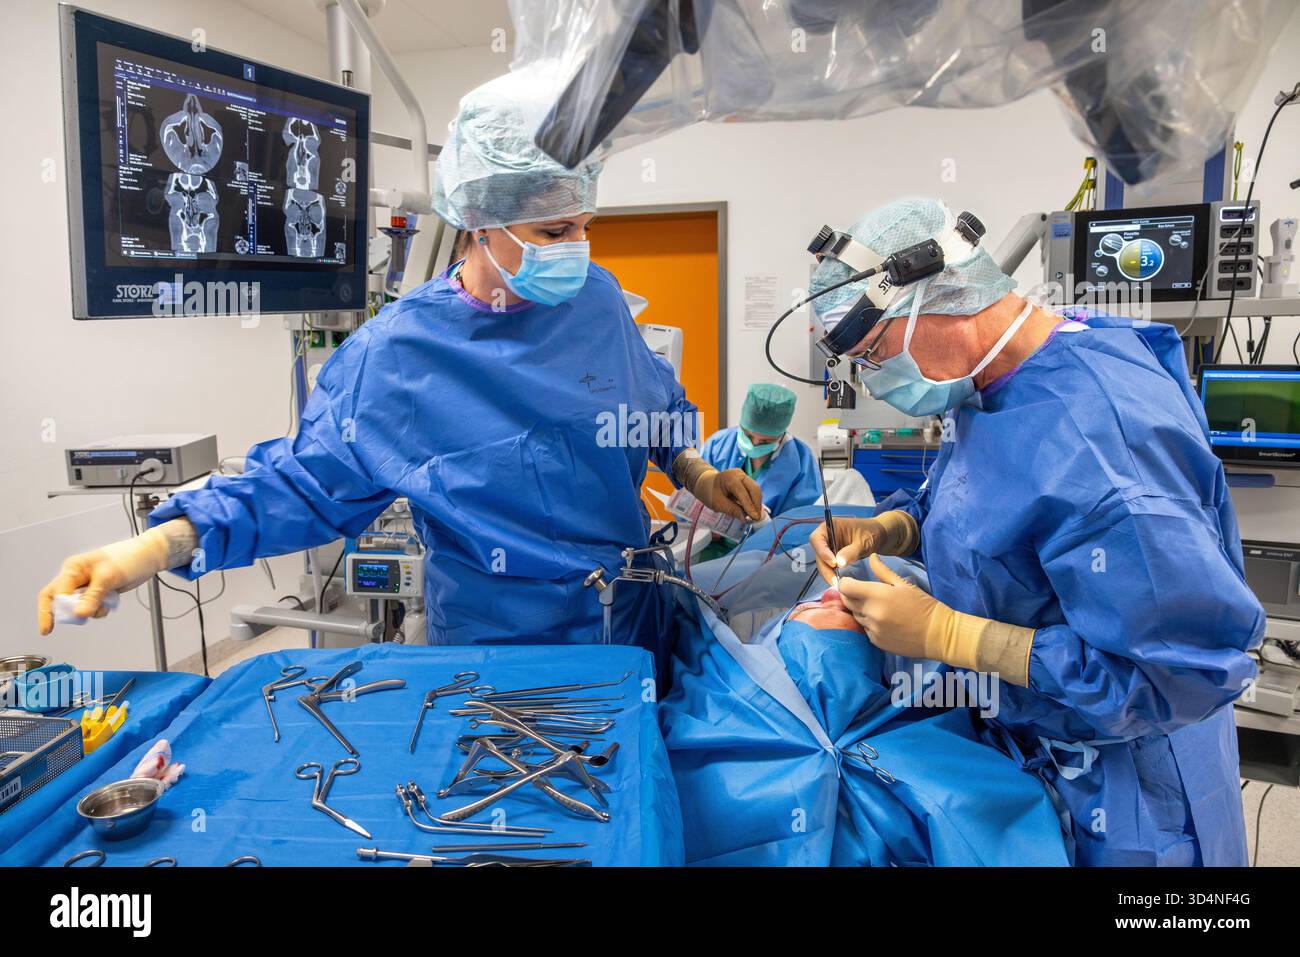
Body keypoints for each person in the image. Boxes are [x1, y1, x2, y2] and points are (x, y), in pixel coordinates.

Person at [36, 71, 762, 671]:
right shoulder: (400, 357)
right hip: (496, 649)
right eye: (552, 231)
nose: (577, 247)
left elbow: (653, 407)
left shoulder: (595, 299)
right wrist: (152, 547)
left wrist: (696, 472)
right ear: (482, 220)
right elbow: (304, 485)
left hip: (630, 622)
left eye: (582, 226)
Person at [806, 197, 1263, 866]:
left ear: (937, 300)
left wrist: (950, 634)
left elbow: (1181, 673)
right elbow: (984, 509)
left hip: (1137, 785)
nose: (872, 377)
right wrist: (894, 527)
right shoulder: (995, 381)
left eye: (874, 352)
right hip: (1043, 748)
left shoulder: (1103, 440)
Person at [700, 383, 822, 516]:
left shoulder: (802, 461)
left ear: (781, 434)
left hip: (771, 537)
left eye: (765, 441)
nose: (754, 444)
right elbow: (694, 496)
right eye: (748, 435)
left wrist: (764, 525)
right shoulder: (717, 445)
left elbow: (800, 522)